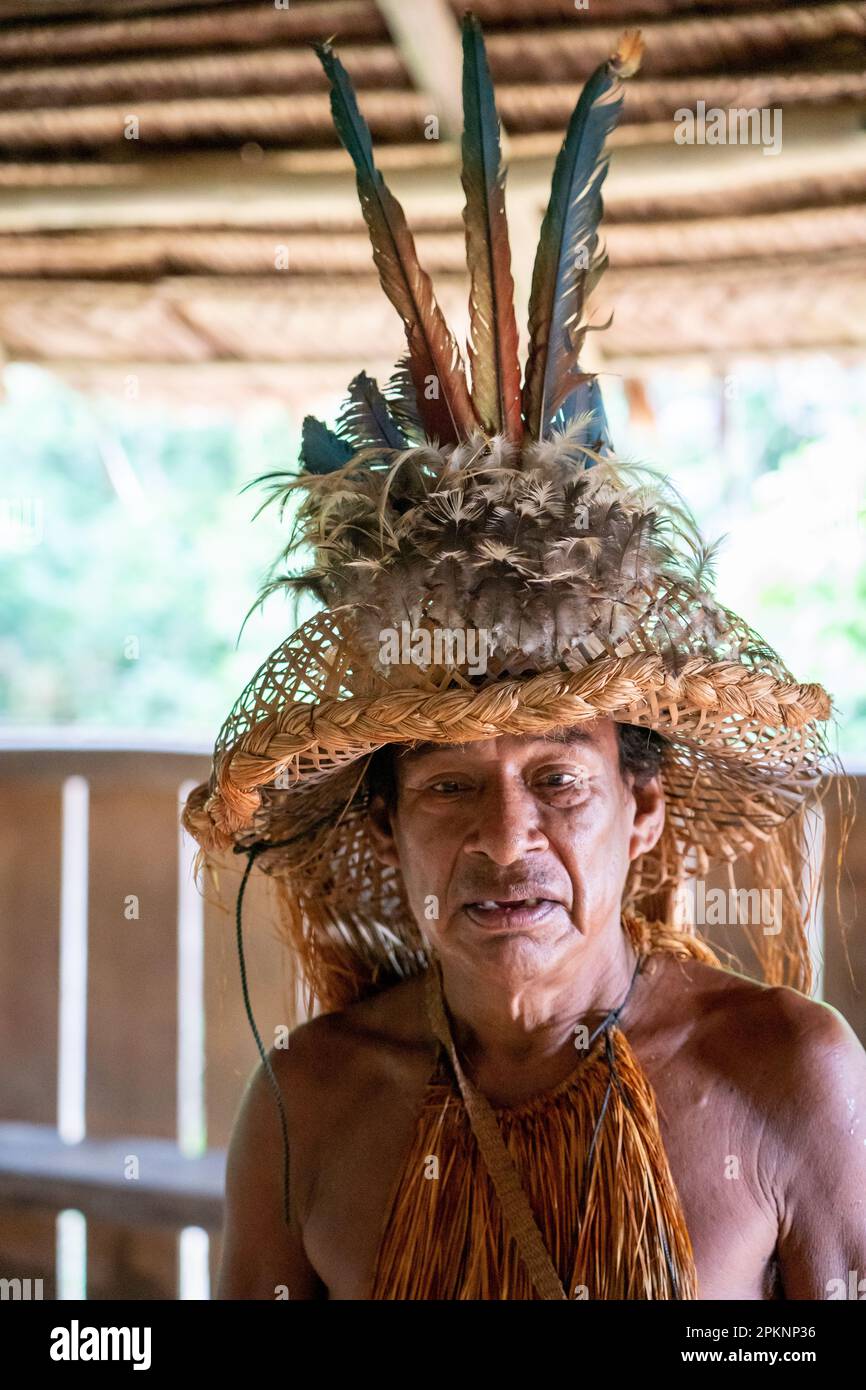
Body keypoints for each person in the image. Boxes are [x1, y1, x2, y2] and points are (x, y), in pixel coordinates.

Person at [183, 16, 866, 1300]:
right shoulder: (310, 1108)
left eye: (558, 778)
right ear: (384, 826)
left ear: (644, 810)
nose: (506, 841)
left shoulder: (783, 1076)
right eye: (446, 786)